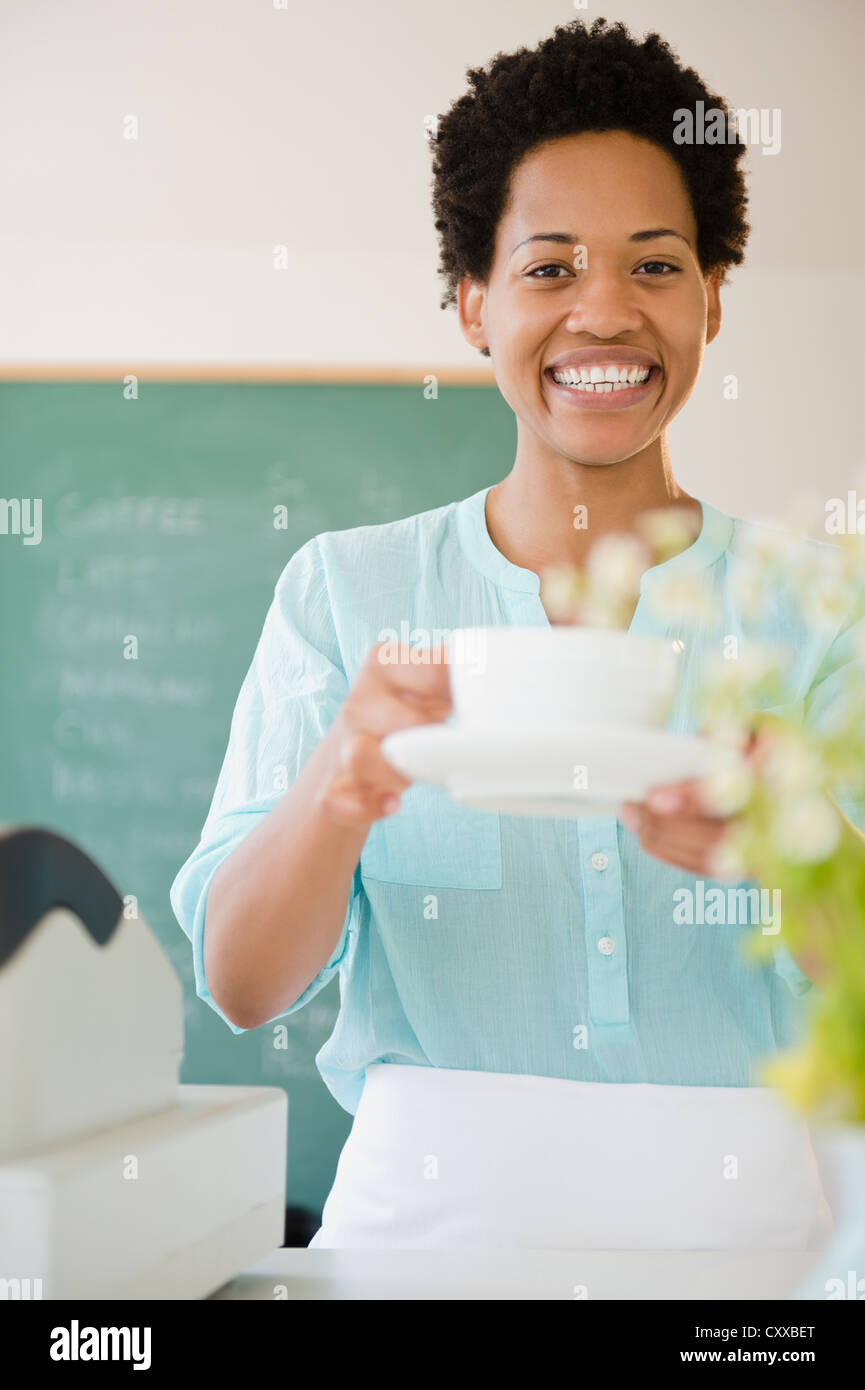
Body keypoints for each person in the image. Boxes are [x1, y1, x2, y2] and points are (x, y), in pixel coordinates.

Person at [170, 18, 865, 1249]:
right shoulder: (342, 592)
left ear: (712, 301)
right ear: (472, 305)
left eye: (654, 267)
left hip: (756, 1241)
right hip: (415, 1240)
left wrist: (783, 845)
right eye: (549, 268)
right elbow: (240, 983)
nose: (604, 311)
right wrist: (341, 783)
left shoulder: (817, 609)